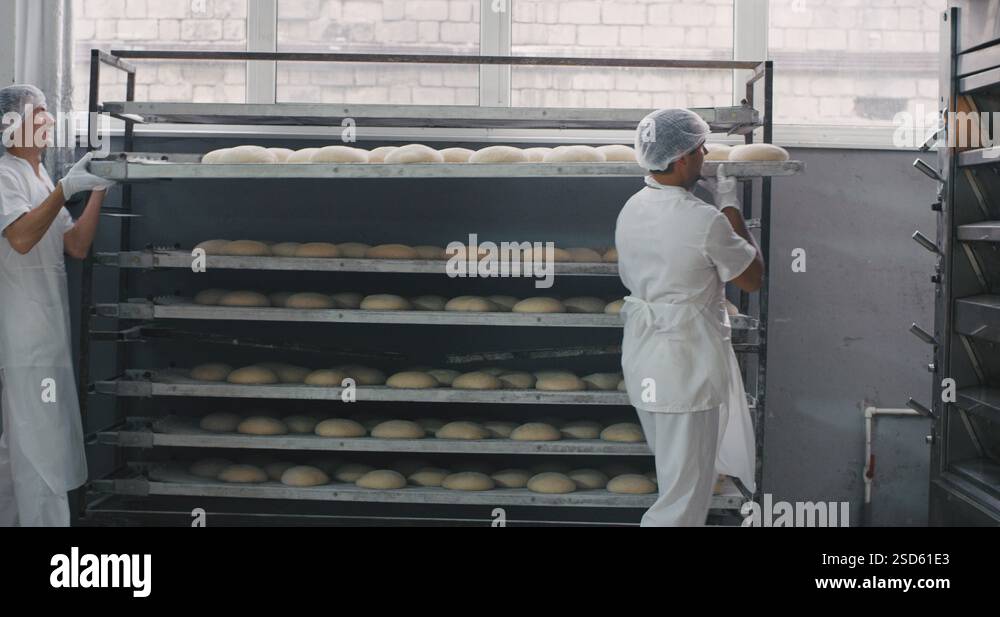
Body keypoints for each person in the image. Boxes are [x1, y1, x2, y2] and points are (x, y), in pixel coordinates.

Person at [616, 108, 764, 526]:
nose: (705, 157)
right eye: (701, 150)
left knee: (677, 481)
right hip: (687, 369)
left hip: (646, 359)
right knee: (684, 498)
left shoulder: (632, 207)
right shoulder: (703, 220)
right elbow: (752, 277)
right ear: (681, 158)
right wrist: (731, 205)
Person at [0, 84, 114, 526]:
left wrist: (98, 188)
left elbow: (76, 245)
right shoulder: (6, 175)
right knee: (41, 448)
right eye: (40, 111)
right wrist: (66, 188)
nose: (49, 119)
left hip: (46, 333)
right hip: (25, 338)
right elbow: (22, 238)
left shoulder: (39, 177)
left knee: (18, 449)